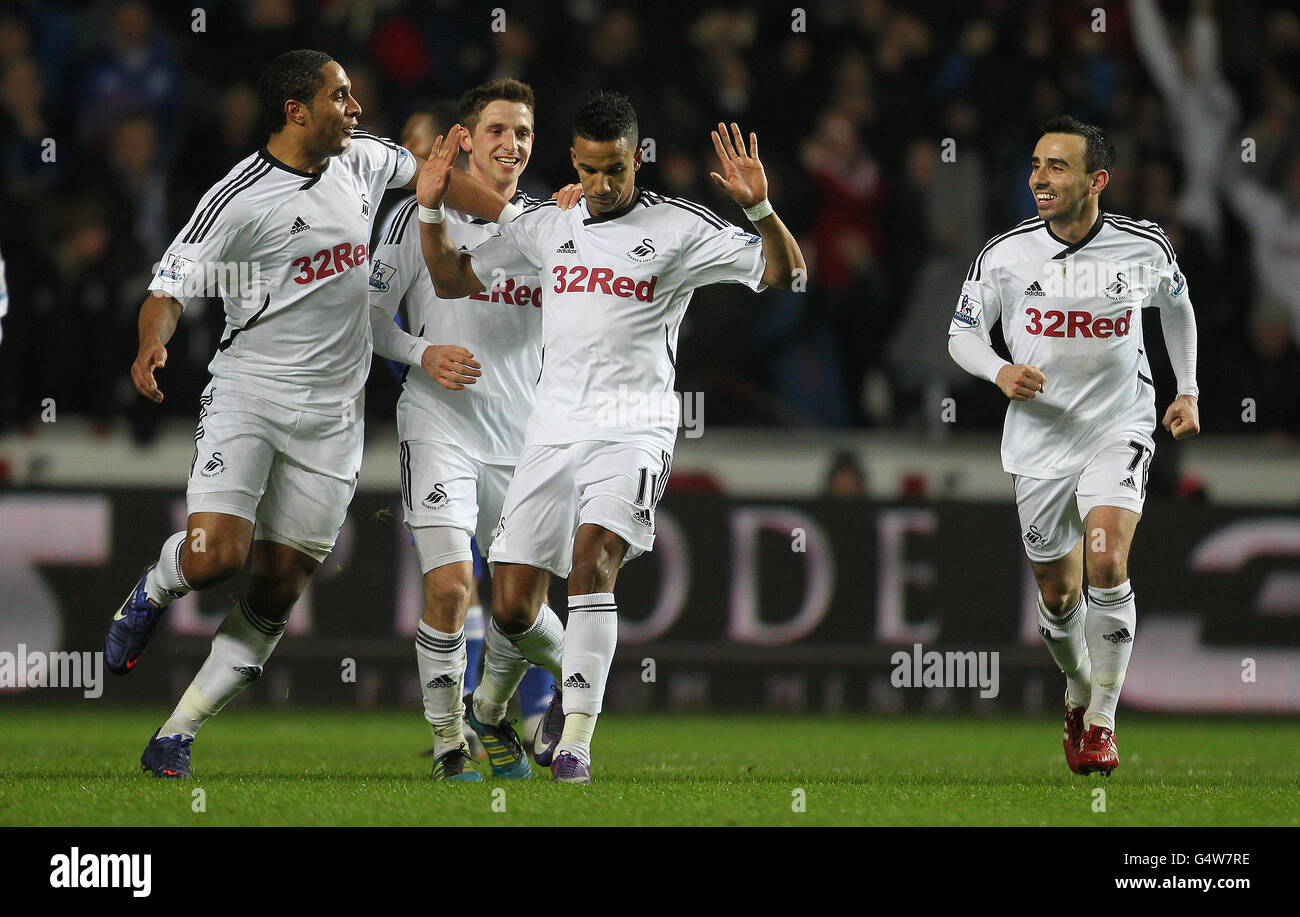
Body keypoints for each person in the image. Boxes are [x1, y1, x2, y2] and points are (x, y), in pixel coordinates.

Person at [104, 49, 513, 778]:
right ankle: (156, 584)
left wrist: (524, 222)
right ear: (297, 110)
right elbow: (168, 287)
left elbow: (438, 180)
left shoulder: (359, 160)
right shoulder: (239, 197)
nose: (355, 109)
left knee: (276, 585)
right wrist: (149, 347)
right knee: (215, 558)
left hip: (334, 417)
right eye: (340, 96)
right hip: (250, 393)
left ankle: (176, 733)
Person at [416, 91, 806, 783]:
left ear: (637, 157)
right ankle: (489, 705)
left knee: (593, 560)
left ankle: (576, 744)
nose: (601, 186)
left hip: (635, 429)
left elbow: (786, 272)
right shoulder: (550, 223)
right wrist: (427, 208)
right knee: (511, 604)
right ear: (574, 160)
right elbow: (450, 278)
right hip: (551, 428)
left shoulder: (679, 226)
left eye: (616, 171)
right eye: (591, 170)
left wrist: (760, 209)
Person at [948, 116, 1200, 776]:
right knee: (1060, 598)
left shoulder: (1143, 246)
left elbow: (1177, 307)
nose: (1039, 177)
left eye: (1057, 166)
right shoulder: (1005, 254)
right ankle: (1079, 689)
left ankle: (1103, 722)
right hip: (1038, 441)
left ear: (1098, 180)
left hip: (1118, 426)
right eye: (1036, 164)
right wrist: (998, 369)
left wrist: (1188, 388)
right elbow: (962, 334)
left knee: (1106, 557)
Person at [368, 79, 564, 780]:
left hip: (521, 438)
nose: (512, 145)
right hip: (438, 423)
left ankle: (496, 709)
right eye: (498, 131)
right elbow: (365, 321)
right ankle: (451, 743)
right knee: (452, 588)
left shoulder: (545, 224)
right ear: (465, 139)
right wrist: (424, 353)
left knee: (519, 608)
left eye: (524, 133)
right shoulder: (409, 220)